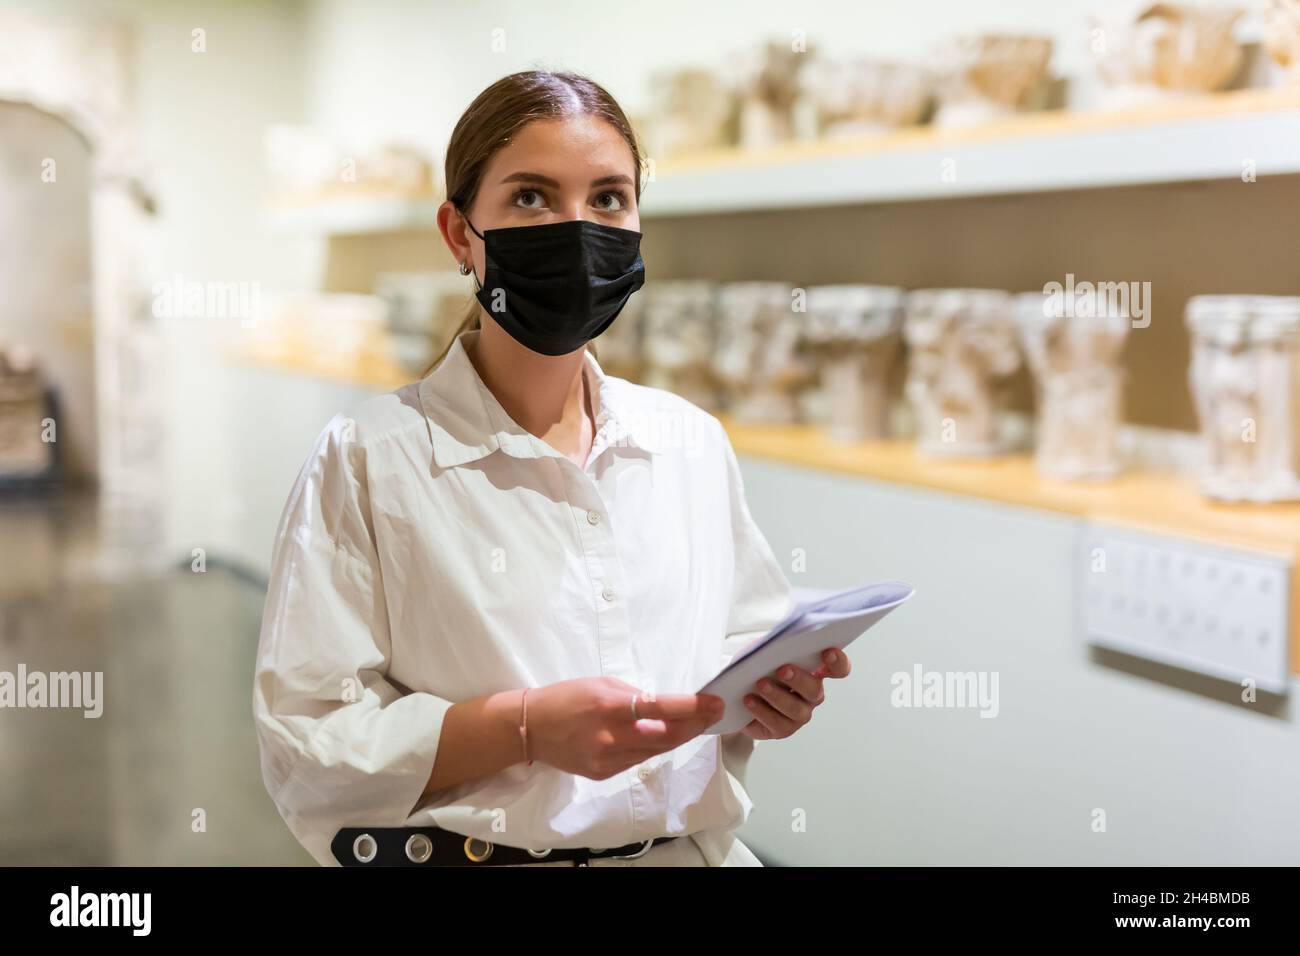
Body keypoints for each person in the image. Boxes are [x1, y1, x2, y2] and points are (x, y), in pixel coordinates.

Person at [251, 69, 852, 868]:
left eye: (608, 199)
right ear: (460, 234)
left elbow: (738, 650)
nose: (577, 229)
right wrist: (523, 726)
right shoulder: (368, 459)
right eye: (532, 197)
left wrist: (771, 697)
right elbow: (308, 744)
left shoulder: (688, 442)